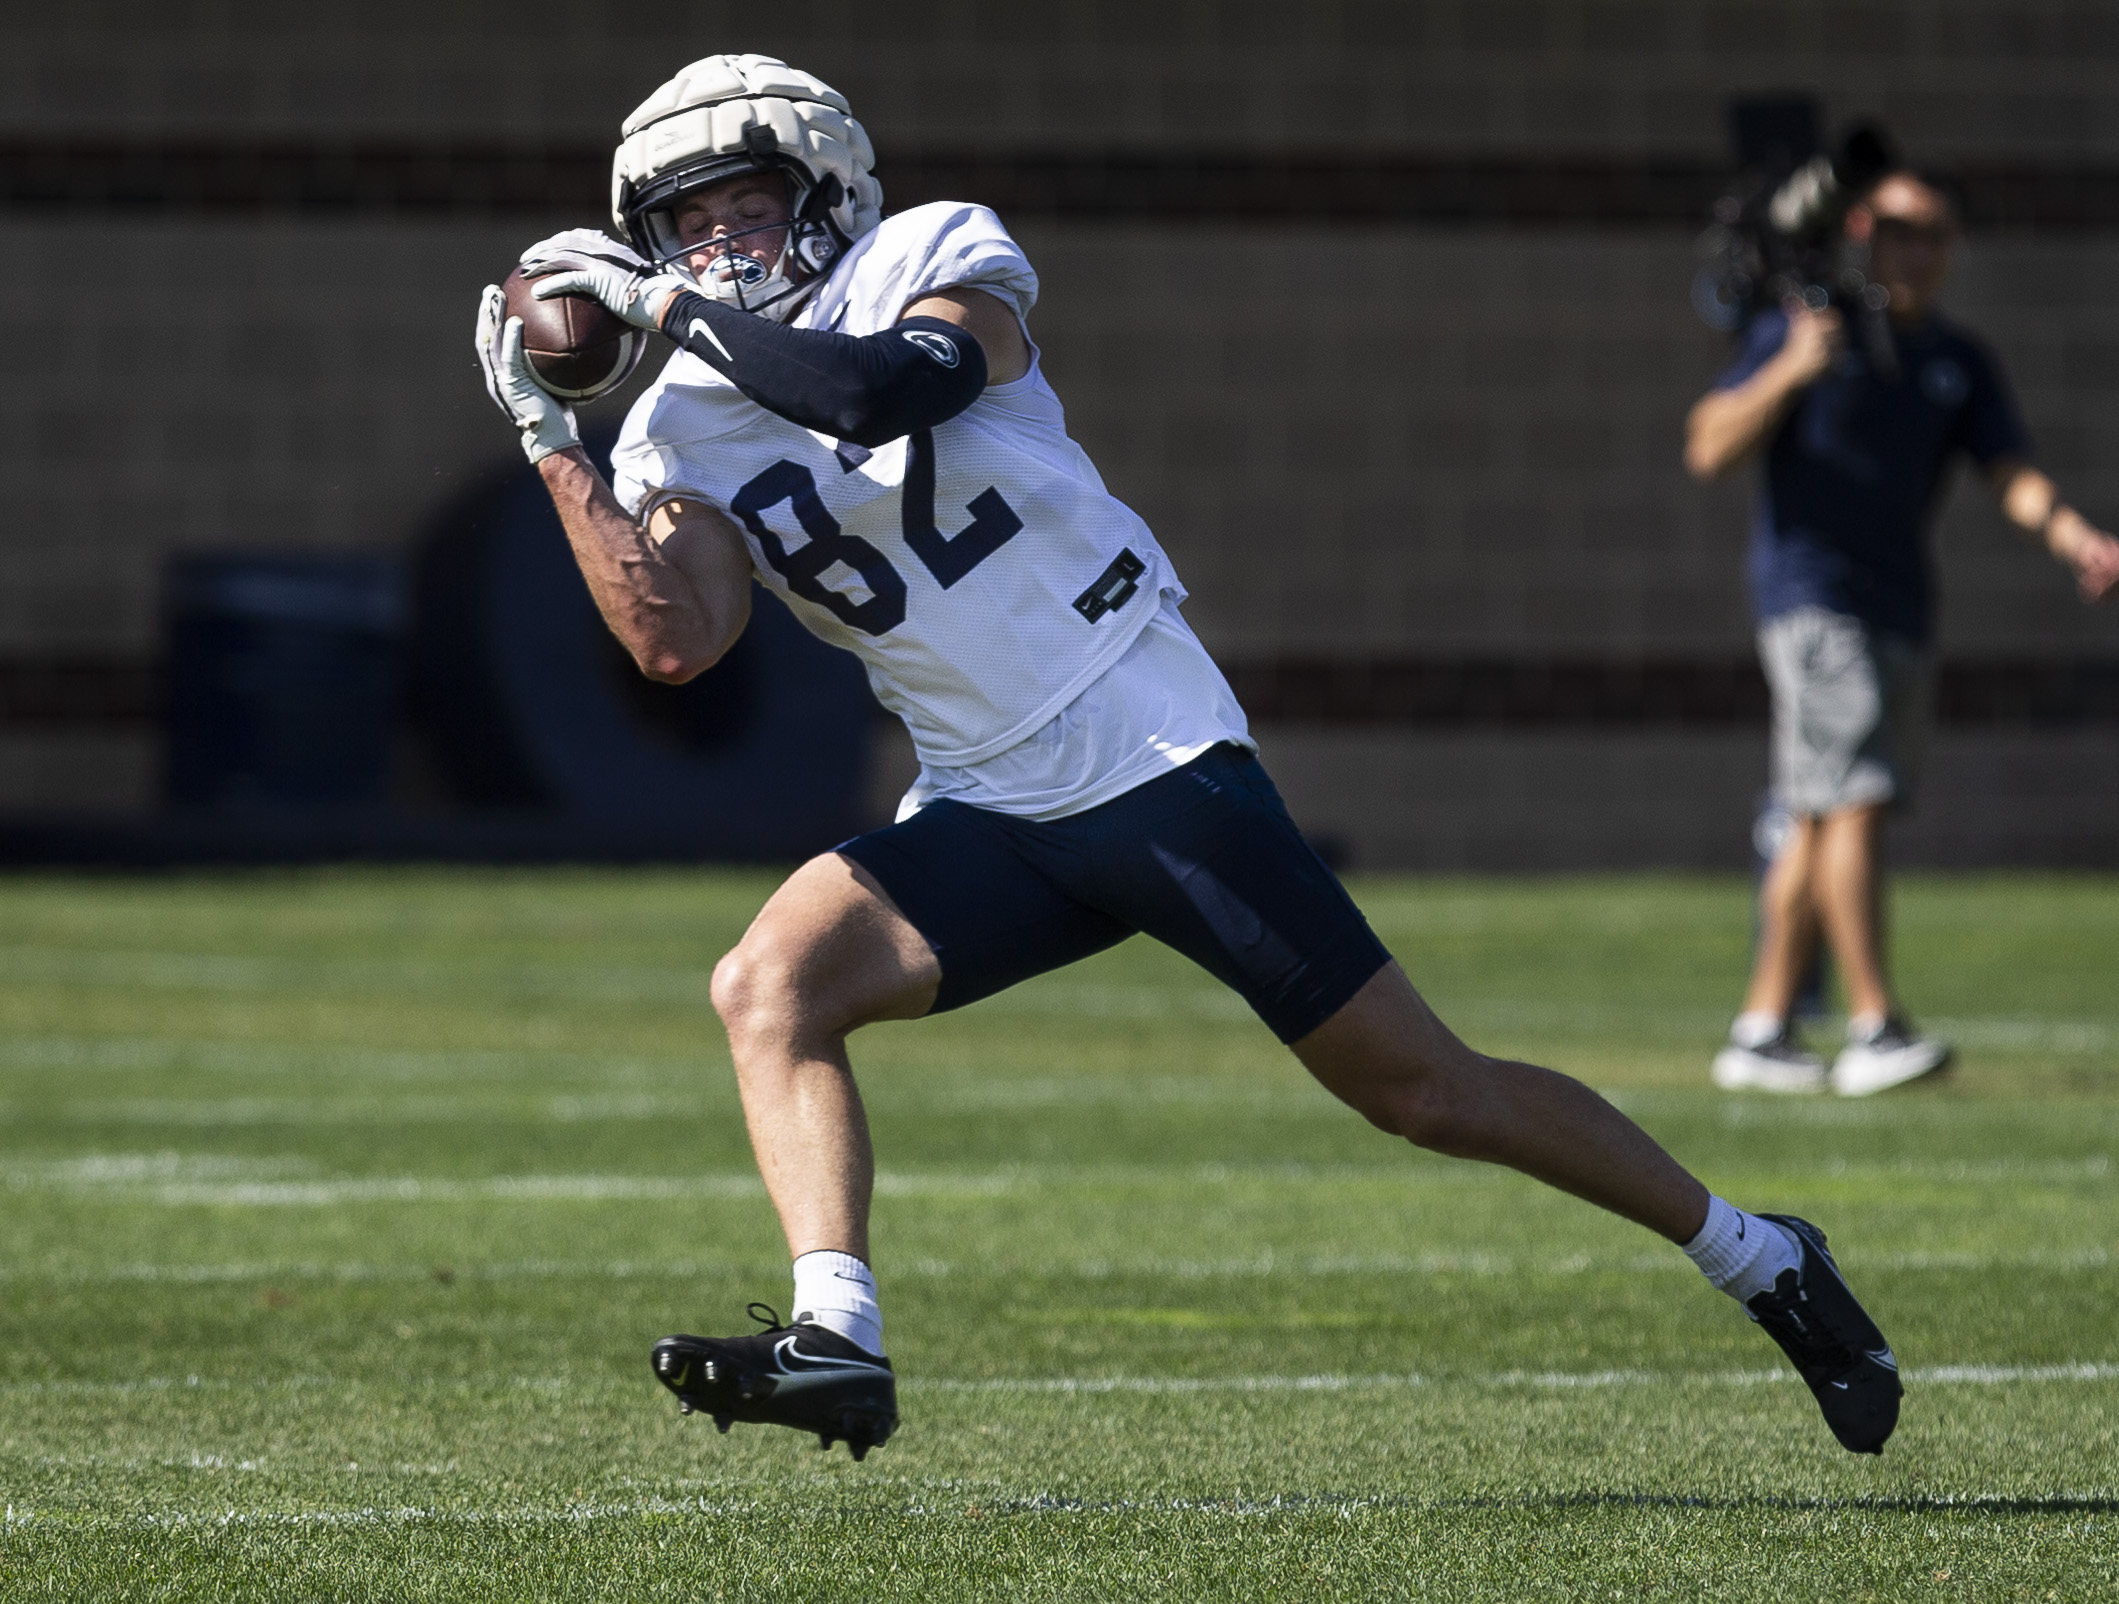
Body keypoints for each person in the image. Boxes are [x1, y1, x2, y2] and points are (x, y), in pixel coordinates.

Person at [474, 54, 1902, 1462]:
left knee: (1424, 1092)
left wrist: (664, 308)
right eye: (684, 225)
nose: (719, 247)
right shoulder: (675, 424)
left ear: (828, 188)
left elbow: (874, 392)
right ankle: (835, 1334)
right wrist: (553, 442)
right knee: (768, 984)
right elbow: (677, 638)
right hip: (984, 796)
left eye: (746, 207)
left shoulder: (930, 251)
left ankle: (1755, 1252)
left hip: (1142, 743)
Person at [1686, 170, 2119, 1098]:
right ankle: (1874, 1022)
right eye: (1895, 229)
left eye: (1931, 233)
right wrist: (1794, 367)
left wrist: (2072, 534)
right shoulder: (1809, 331)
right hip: (1810, 601)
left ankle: (1759, 1031)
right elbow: (1709, 444)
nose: (1914, 248)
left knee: (1815, 809)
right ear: (1860, 235)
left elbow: (2009, 471)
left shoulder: (1953, 358)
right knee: (1856, 801)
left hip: (1900, 607)